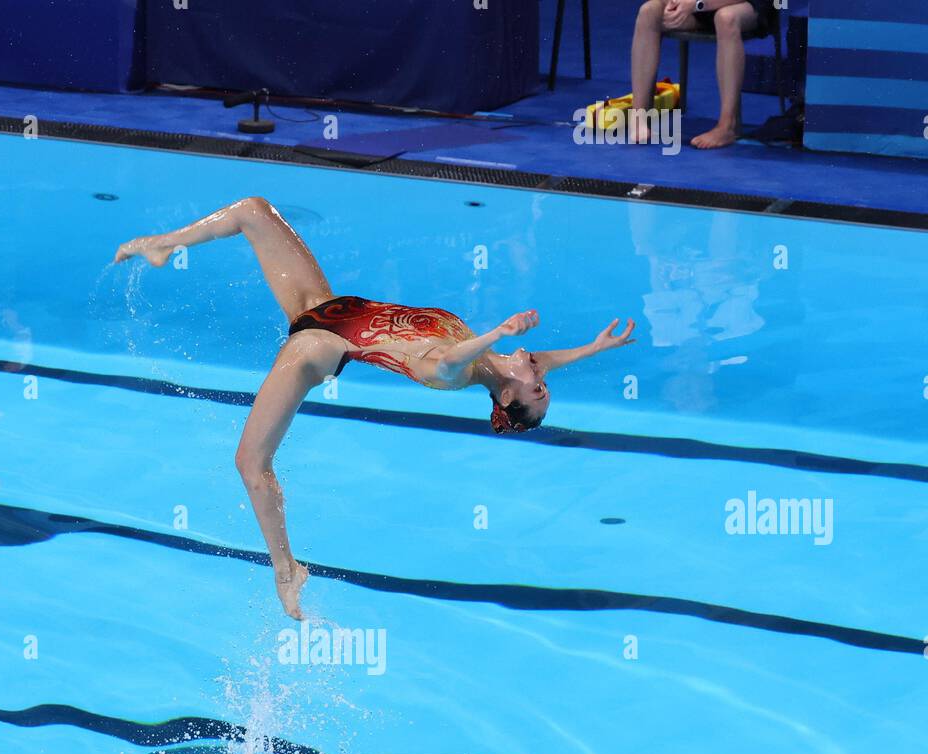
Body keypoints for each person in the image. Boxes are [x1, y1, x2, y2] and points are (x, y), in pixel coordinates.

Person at [114, 198, 635, 616]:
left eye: (537, 386)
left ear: (506, 398)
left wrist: (498, 330)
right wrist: (592, 348)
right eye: (543, 377)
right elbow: (541, 363)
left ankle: (285, 569)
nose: (540, 372)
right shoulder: (509, 368)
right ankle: (163, 245)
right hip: (322, 310)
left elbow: (453, 357)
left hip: (315, 351)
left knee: (251, 464)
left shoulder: (454, 375)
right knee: (254, 210)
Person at [630, 0, 777, 149]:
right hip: (698, 7)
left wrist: (698, 4)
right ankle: (639, 116)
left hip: (748, 5)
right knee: (648, 12)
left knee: (726, 18)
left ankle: (727, 126)